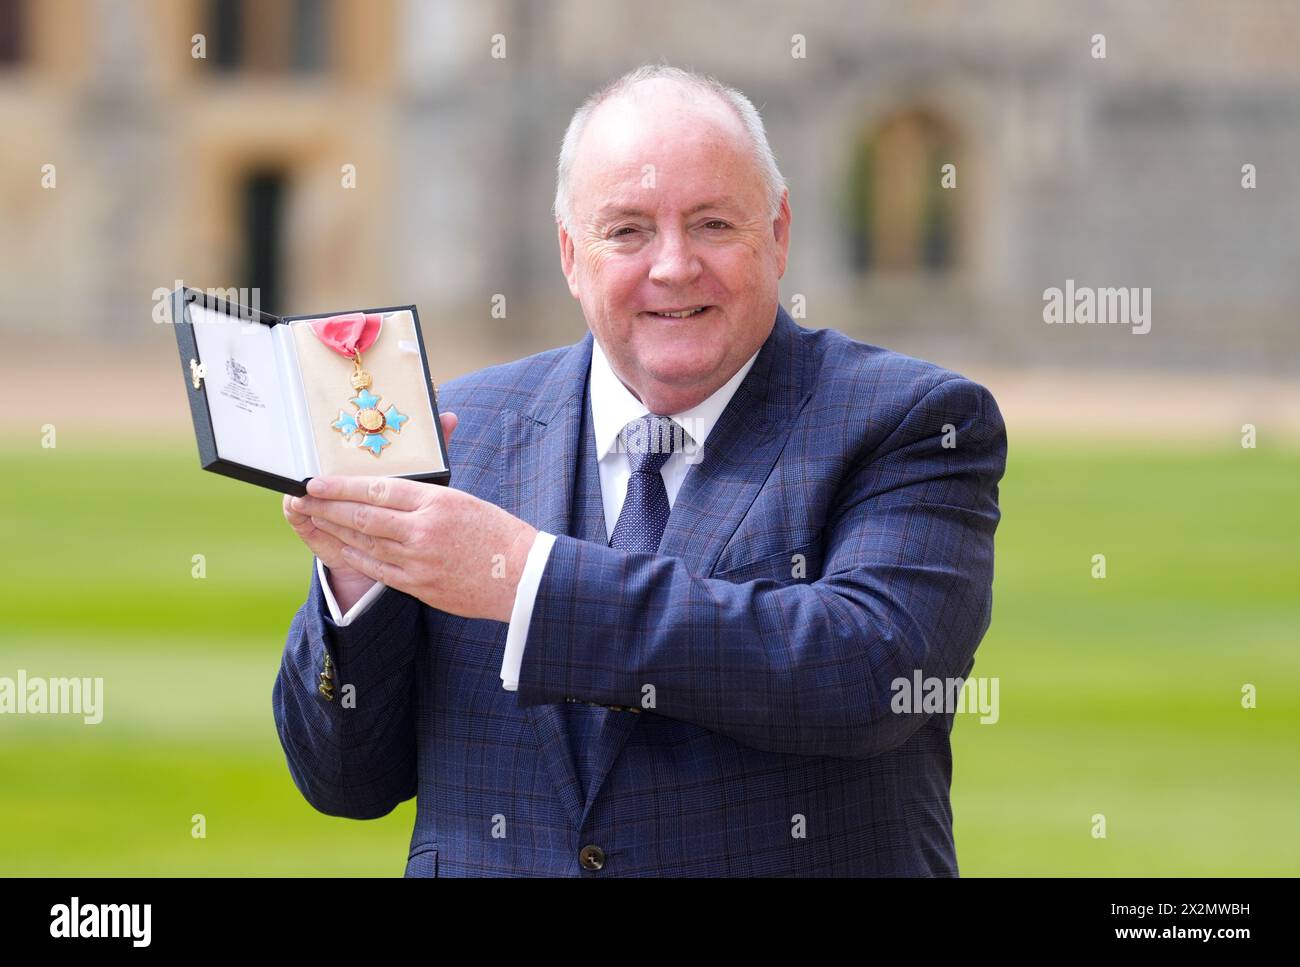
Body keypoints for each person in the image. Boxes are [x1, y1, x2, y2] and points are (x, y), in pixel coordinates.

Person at [274, 64, 1006, 877]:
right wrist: (357, 582)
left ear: (779, 232)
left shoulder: (915, 420)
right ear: (570, 254)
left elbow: (867, 674)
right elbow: (344, 780)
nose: (672, 266)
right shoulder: (461, 428)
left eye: (712, 224)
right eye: (627, 230)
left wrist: (524, 579)